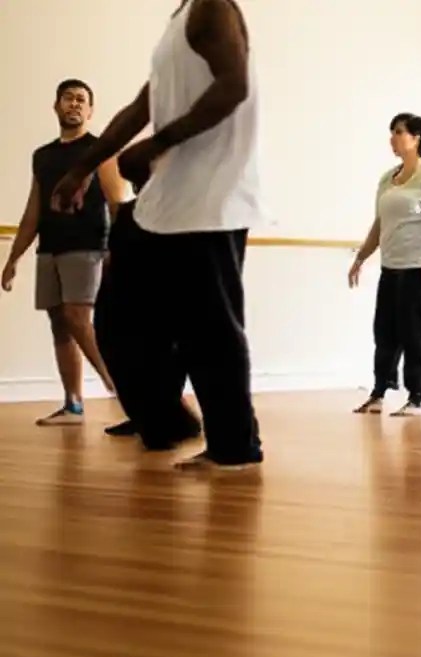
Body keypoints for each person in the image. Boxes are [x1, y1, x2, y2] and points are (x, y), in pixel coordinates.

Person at [49, 0, 265, 471]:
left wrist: (161, 141)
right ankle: (167, 421)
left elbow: (234, 86)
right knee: (119, 318)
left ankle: (235, 445)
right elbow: (140, 107)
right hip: (165, 197)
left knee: (210, 327)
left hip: (212, 195)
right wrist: (83, 168)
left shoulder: (212, 7)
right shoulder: (180, 21)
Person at [2, 79, 127, 426]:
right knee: (60, 325)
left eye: (81, 100)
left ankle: (122, 389)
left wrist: (119, 250)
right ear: (56, 106)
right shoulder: (42, 156)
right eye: (68, 98)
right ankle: (73, 404)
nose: (74, 104)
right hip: (50, 250)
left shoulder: (100, 149)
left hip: (87, 248)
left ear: (90, 110)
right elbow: (33, 209)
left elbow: (117, 203)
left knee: (77, 318)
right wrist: (14, 258)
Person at [348, 113, 421, 417]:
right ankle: (379, 392)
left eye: (399, 132)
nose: (393, 138)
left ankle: (417, 396)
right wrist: (361, 257)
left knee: (416, 335)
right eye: (392, 132)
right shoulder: (387, 179)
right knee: (385, 333)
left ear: (416, 138)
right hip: (391, 269)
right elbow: (380, 224)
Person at [93, 156, 203, 449]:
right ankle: (159, 420)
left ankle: (163, 421)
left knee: (158, 356)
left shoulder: (173, 214)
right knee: (129, 351)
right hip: (131, 301)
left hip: (155, 301)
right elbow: (114, 260)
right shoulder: (130, 215)